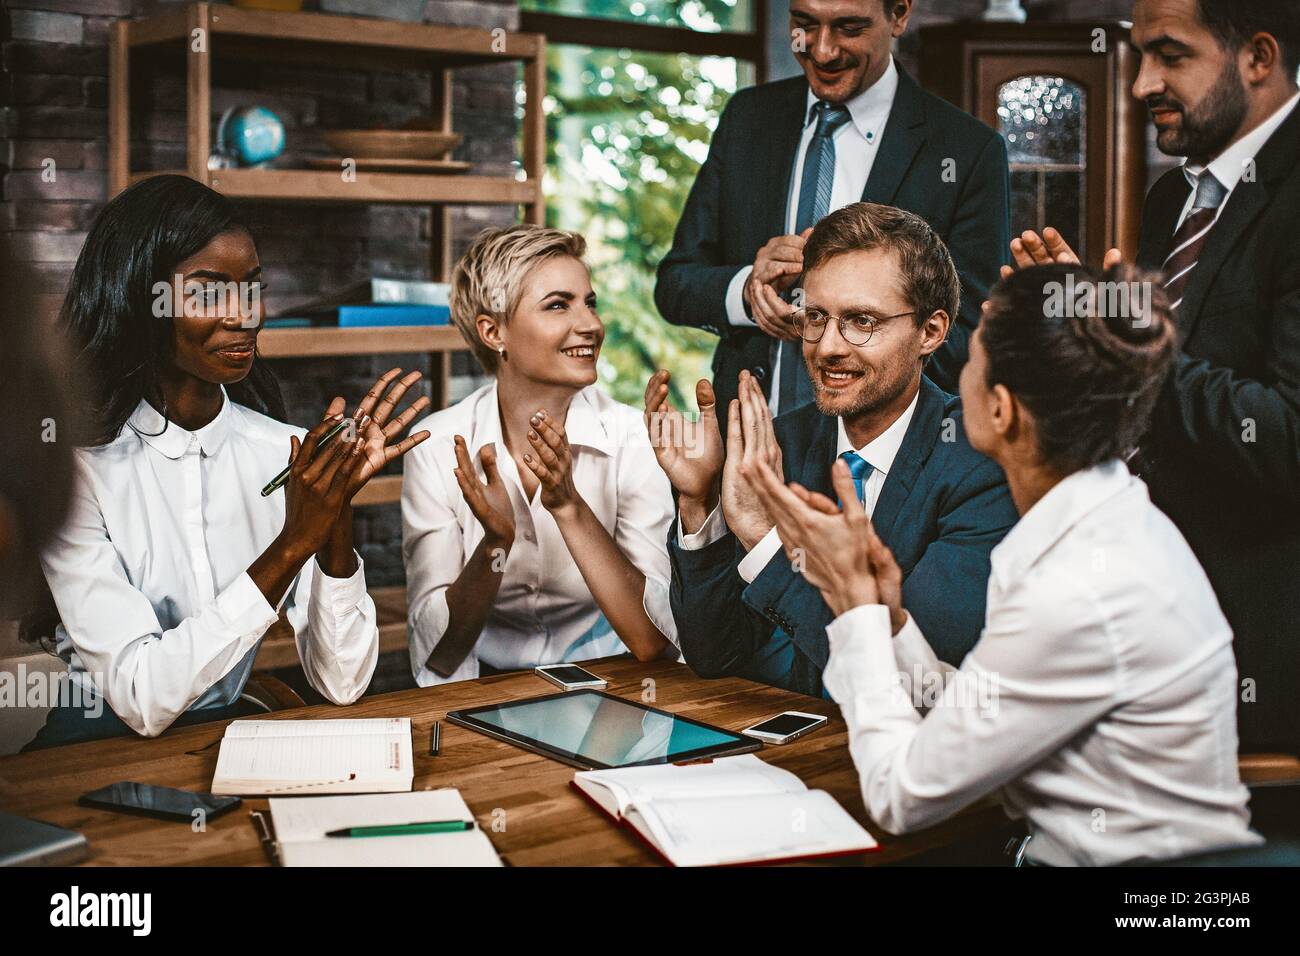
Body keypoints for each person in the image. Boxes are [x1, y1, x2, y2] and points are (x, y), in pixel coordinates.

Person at [747, 263, 1262, 866]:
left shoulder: (1078, 588)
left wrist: (853, 604)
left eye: (972, 361)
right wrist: (890, 621)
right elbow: (990, 707)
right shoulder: (1100, 524)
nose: (955, 374)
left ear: (1001, 411)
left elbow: (899, 798)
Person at [26, 174, 430, 748]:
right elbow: (141, 697)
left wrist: (332, 515)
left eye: (252, 288)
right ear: (141, 298)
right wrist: (292, 543)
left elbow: (341, 683)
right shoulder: (78, 470)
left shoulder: (282, 452)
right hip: (90, 749)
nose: (244, 316)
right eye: (209, 290)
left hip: (225, 744)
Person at [1005, 0, 1300, 753]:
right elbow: (1147, 402)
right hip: (1144, 620)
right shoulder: (1173, 197)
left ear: (1258, 58)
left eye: (1170, 55)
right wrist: (1073, 337)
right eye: (1140, 56)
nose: (1140, 85)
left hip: (1260, 649)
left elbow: (1287, 437)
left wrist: (1124, 341)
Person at [648, 202, 1016, 698]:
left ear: (931, 332)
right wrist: (700, 504)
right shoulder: (778, 444)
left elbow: (913, 678)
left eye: (861, 321)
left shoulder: (979, 462)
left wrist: (761, 535)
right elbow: (716, 657)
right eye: (816, 317)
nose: (827, 347)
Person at [655, 0, 1009, 425]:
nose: (821, 51)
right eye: (804, 25)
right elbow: (675, 283)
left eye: (848, 28)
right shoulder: (747, 119)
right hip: (745, 445)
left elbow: (967, 334)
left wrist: (865, 326)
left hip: (885, 458)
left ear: (898, 15)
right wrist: (747, 292)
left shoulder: (966, 150)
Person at [402, 225, 677, 685]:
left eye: (589, 302)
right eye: (557, 305)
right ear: (493, 332)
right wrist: (494, 543)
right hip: (482, 688)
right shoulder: (434, 446)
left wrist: (569, 507)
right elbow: (439, 653)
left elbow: (653, 639)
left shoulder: (634, 436)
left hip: (616, 681)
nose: (591, 324)